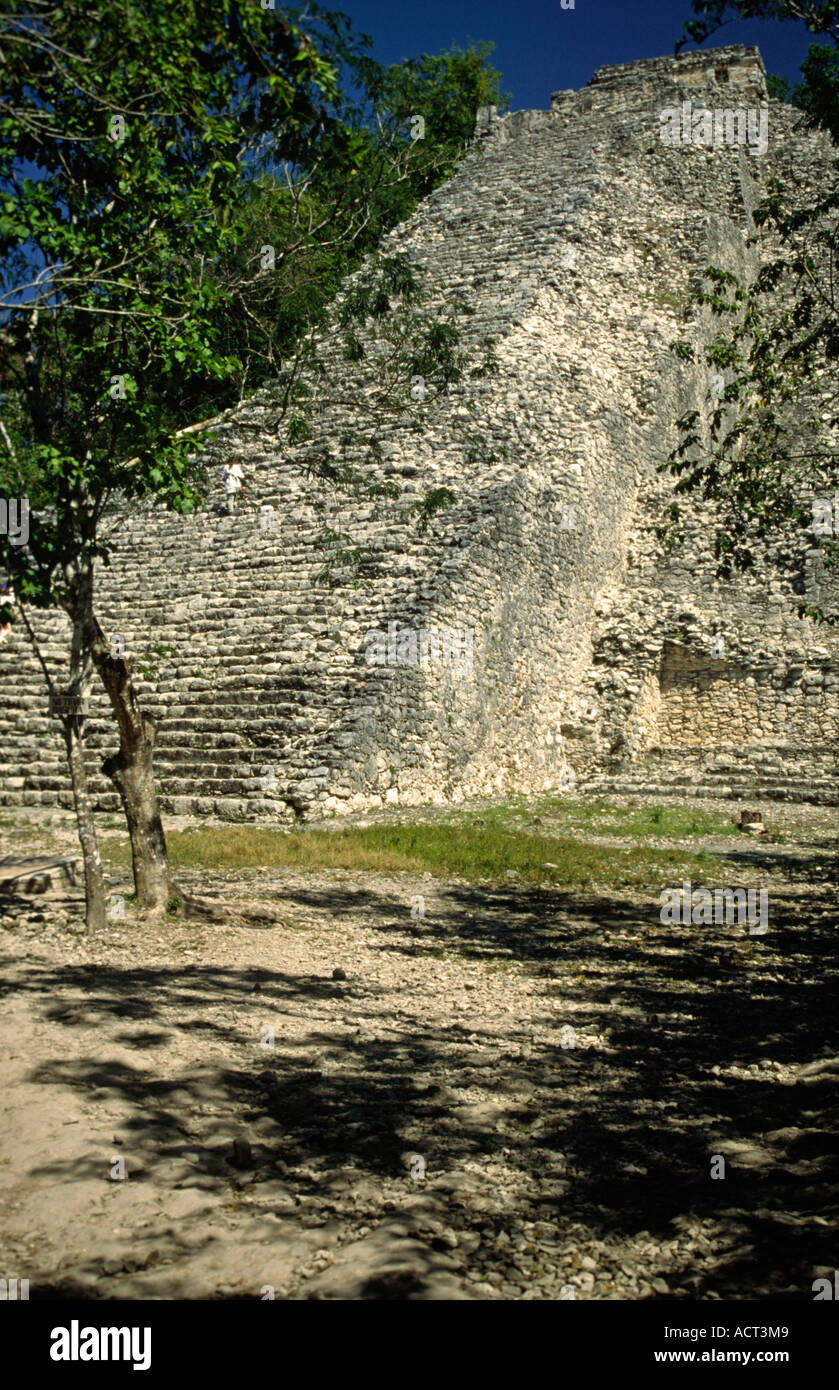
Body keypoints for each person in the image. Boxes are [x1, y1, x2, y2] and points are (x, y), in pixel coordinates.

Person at [0, 579, 15, 645]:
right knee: (8, 629)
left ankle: (1, 637)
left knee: (5, 628)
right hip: (4, 613)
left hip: (4, 612)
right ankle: (1, 638)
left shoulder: (6, 597)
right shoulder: (7, 598)